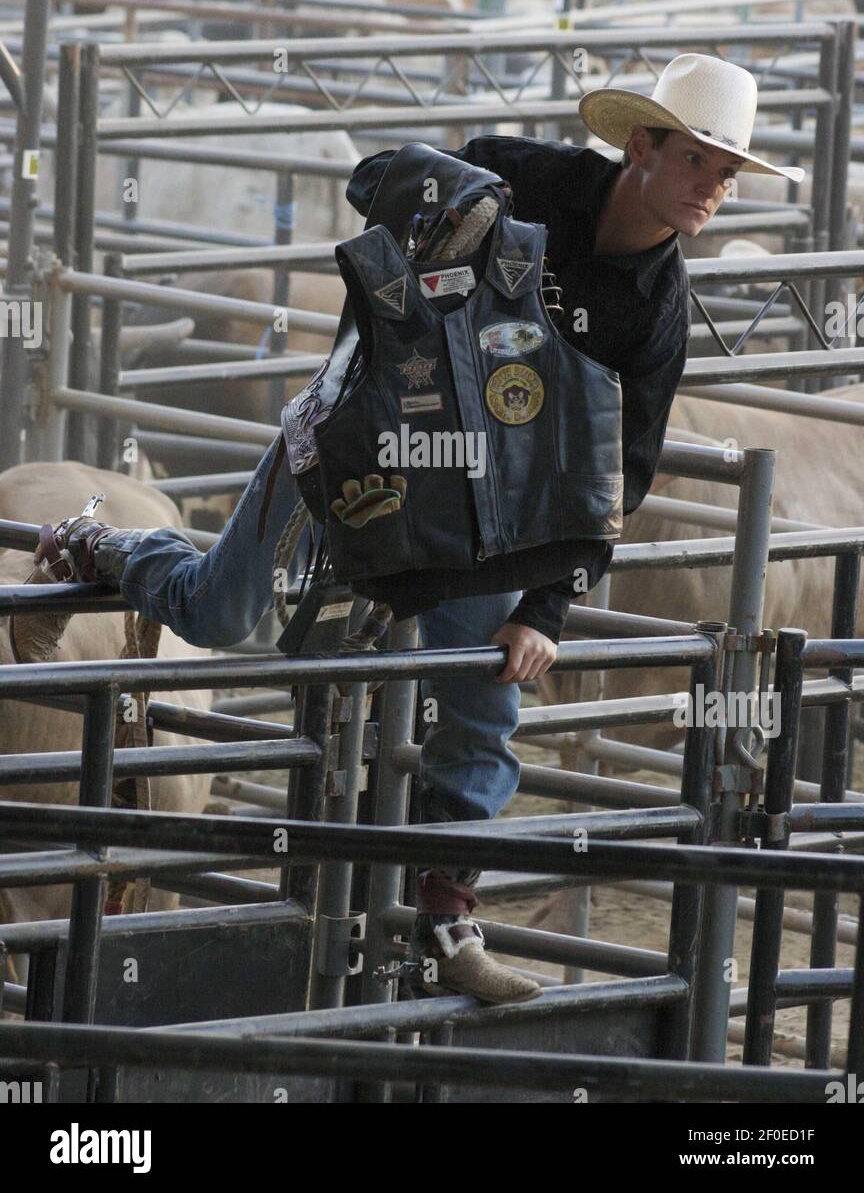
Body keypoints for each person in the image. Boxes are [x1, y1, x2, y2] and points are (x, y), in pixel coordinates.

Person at [39, 53, 803, 1004]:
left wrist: (547, 612)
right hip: (360, 432)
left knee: (482, 697)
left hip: (483, 503)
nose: (714, 189)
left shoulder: (653, 312)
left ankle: (443, 907)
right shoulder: (526, 175)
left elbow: (619, 472)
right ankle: (106, 542)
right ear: (640, 147)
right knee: (222, 607)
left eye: (728, 173)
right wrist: (454, 194)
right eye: (698, 160)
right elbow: (378, 177)